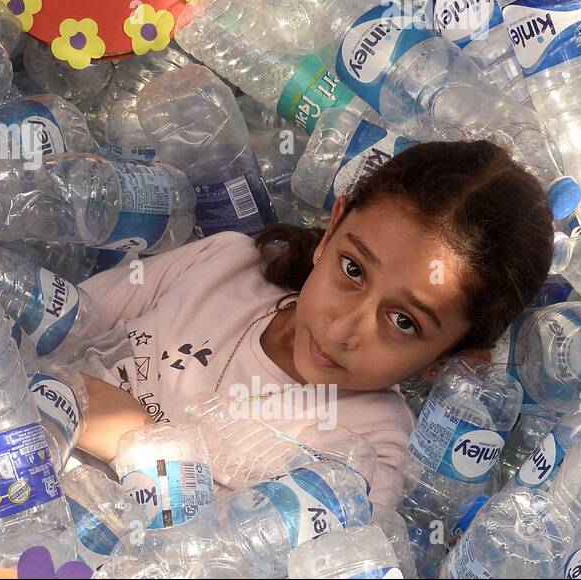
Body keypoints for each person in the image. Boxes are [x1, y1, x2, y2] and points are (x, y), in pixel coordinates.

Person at [71, 140, 554, 508]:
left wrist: (120, 428)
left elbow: (235, 555)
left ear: (449, 361)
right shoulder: (223, 265)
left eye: (404, 322)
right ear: (333, 228)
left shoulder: (375, 453)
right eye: (353, 269)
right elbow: (50, 322)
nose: (344, 327)